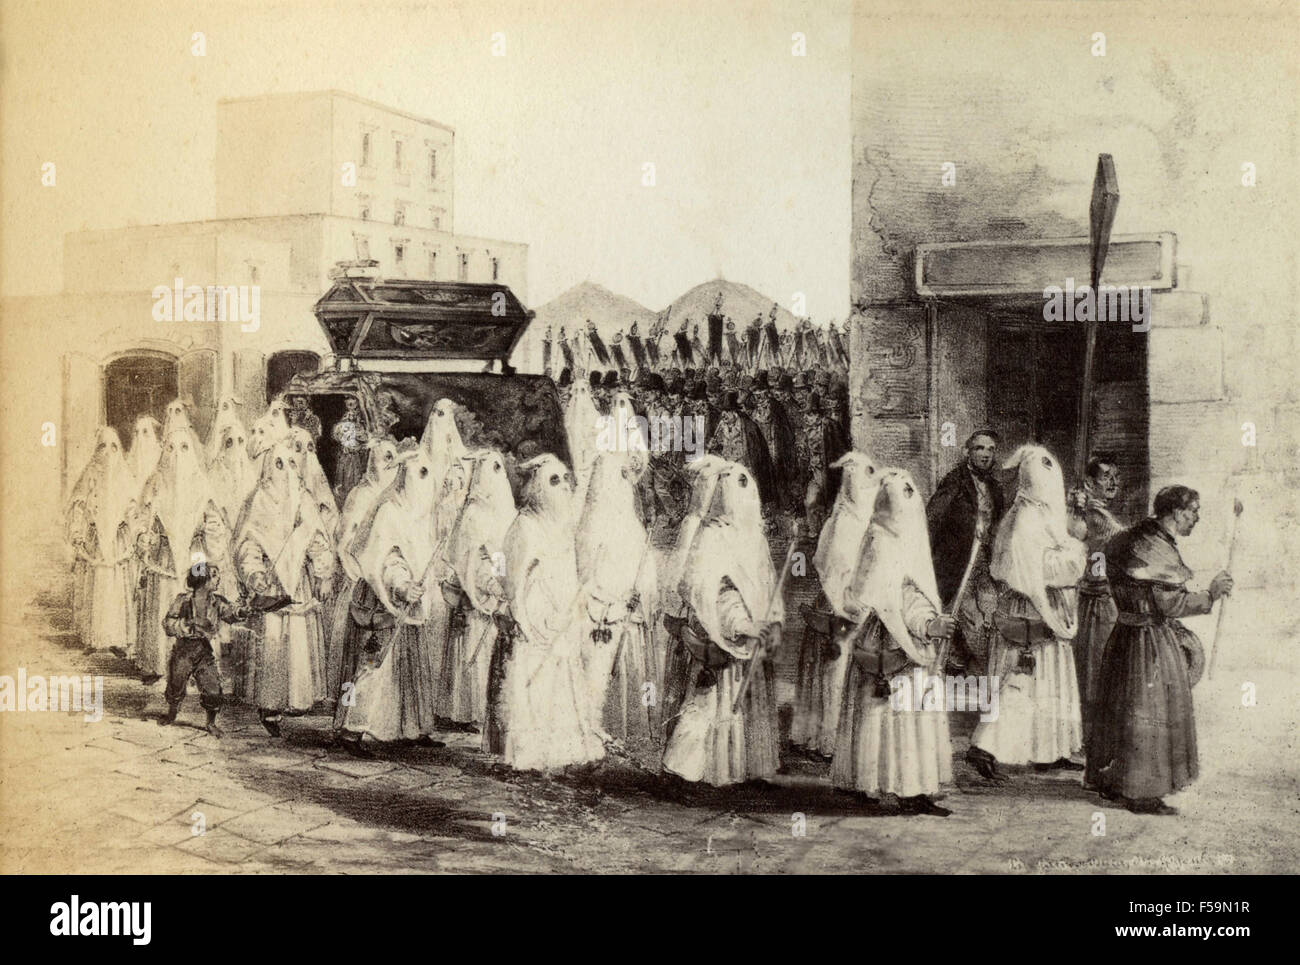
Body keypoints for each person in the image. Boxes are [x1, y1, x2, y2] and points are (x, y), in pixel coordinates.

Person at [1085, 487, 1232, 815]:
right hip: (1148, 642)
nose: (1196, 517)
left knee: (1122, 708)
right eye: (1193, 510)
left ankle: (1112, 780)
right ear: (1176, 512)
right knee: (1149, 712)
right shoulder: (1155, 547)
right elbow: (1171, 603)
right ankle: (1141, 792)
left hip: (1124, 635)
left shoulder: (1135, 536)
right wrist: (1211, 595)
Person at [831, 469, 957, 815]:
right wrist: (929, 625)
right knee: (890, 717)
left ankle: (907, 787)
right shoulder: (881, 541)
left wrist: (928, 622)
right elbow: (892, 599)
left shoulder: (896, 539)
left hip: (899, 638)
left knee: (906, 718)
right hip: (891, 644)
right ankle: (893, 787)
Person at [966, 444, 1086, 783]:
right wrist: (1057, 624)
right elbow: (1035, 579)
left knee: (1048, 685)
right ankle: (983, 747)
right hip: (1030, 612)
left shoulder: (1037, 514)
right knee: (1021, 683)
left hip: (1044, 606)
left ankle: (1048, 752)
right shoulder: (1024, 522)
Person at [661, 459, 783, 787]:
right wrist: (741, 626)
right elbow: (708, 591)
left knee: (745, 708)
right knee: (706, 707)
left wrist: (774, 621)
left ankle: (741, 770)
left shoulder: (753, 535)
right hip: (720, 636)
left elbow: (768, 584)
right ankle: (680, 774)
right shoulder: (711, 535)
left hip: (750, 639)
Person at [335, 446, 446, 753]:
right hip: (381, 600)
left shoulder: (418, 515)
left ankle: (413, 728)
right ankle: (350, 729)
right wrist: (401, 586)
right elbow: (386, 559)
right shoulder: (390, 511)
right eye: (419, 476)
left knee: (411, 664)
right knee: (372, 664)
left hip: (406, 604)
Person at [498, 454, 605, 772]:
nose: (562, 487)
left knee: (565, 689)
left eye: (564, 480)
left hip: (564, 621)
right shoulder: (524, 526)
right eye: (553, 481)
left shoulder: (563, 526)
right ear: (536, 488)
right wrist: (526, 616)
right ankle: (529, 759)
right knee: (535, 691)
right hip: (536, 625)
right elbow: (511, 578)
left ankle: (569, 754)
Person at [233, 438, 335, 737]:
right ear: (268, 467)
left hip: (299, 582)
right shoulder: (258, 499)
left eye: (292, 463)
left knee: (299, 641)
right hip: (271, 582)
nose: (286, 470)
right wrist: (253, 575)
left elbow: (317, 539)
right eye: (279, 463)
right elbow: (246, 545)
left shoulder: (304, 498)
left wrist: (323, 571)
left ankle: (298, 699)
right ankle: (270, 706)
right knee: (273, 642)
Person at [791, 451, 880, 759]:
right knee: (835, 675)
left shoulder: (873, 519)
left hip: (865, 606)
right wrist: (845, 605)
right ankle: (830, 742)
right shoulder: (839, 522)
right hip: (839, 608)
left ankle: (854, 743)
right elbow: (829, 569)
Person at [576, 452, 659, 745]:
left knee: (625, 672)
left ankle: (625, 728)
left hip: (627, 613)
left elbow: (645, 568)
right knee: (596, 672)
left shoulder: (633, 526)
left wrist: (641, 596)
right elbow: (583, 574)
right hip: (600, 613)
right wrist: (605, 599)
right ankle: (590, 724)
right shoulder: (590, 524)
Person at [134, 427, 226, 686]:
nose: (176, 456)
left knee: (195, 606)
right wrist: (143, 535)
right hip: (163, 557)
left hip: (194, 556)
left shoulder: (201, 483)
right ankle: (157, 663)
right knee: (163, 605)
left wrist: (210, 533)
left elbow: (215, 522)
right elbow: (140, 517)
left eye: (183, 448)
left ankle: (195, 667)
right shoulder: (154, 482)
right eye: (171, 449)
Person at [437, 449, 514, 731]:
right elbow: (469, 559)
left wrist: (505, 582)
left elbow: (502, 553)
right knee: (473, 652)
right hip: (476, 595)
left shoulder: (503, 510)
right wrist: (490, 585)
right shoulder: (473, 513)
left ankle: (488, 713)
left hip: (495, 593)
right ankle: (469, 713)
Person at [926, 430, 1005, 674]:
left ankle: (981, 674)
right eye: (980, 448)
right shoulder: (954, 481)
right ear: (967, 452)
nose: (985, 454)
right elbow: (932, 520)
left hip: (985, 565)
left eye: (990, 449)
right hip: (958, 566)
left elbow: (999, 524)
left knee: (993, 614)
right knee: (973, 622)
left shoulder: (994, 487)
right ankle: (973, 672)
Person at [66, 427, 137, 654]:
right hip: (95, 541)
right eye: (102, 446)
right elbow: (78, 505)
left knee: (116, 590)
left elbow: (134, 509)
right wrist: (78, 533)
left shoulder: (125, 476)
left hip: (117, 541)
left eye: (113, 446)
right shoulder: (89, 474)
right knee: (95, 588)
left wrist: (134, 532)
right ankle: (93, 638)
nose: (107, 452)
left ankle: (117, 639)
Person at [1073, 454, 1126, 740]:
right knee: (1095, 670)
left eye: (1116, 476)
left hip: (1103, 599)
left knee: (1097, 669)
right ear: (1089, 483)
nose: (1113, 482)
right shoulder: (1094, 515)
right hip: (1096, 602)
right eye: (1106, 476)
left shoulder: (1097, 513)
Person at [160, 564, 247, 737]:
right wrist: (183, 627)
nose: (218, 579)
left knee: (213, 688)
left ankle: (211, 723)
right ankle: (172, 712)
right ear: (202, 580)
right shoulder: (183, 600)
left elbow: (231, 613)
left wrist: (242, 611)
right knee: (176, 685)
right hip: (183, 650)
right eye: (214, 575)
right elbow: (168, 623)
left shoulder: (218, 601)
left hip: (203, 651)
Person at [331, 396, 370, 505]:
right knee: (342, 478)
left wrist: (357, 431)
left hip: (356, 455)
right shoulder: (344, 419)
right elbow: (337, 434)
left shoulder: (361, 420)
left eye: (353, 404)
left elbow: (365, 437)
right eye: (348, 404)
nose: (351, 408)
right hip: (344, 455)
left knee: (353, 479)